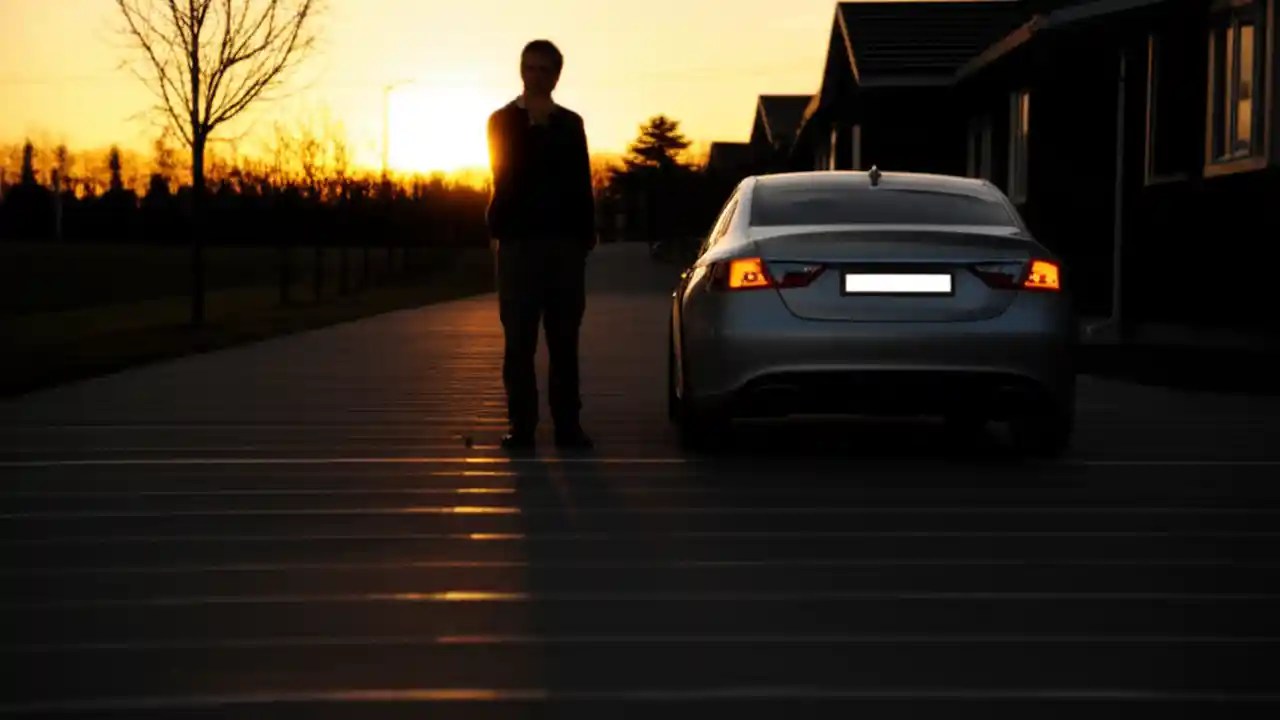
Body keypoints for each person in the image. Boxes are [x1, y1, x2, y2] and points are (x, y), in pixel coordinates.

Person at [486, 39, 597, 451]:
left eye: (543, 69)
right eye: (529, 68)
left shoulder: (571, 124)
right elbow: (508, 175)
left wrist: (585, 238)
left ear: (556, 75)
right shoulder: (502, 121)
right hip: (517, 247)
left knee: (564, 341)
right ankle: (522, 426)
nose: (535, 76)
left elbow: (580, 184)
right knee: (518, 342)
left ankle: (568, 426)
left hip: (565, 249)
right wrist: (533, 129)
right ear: (521, 70)